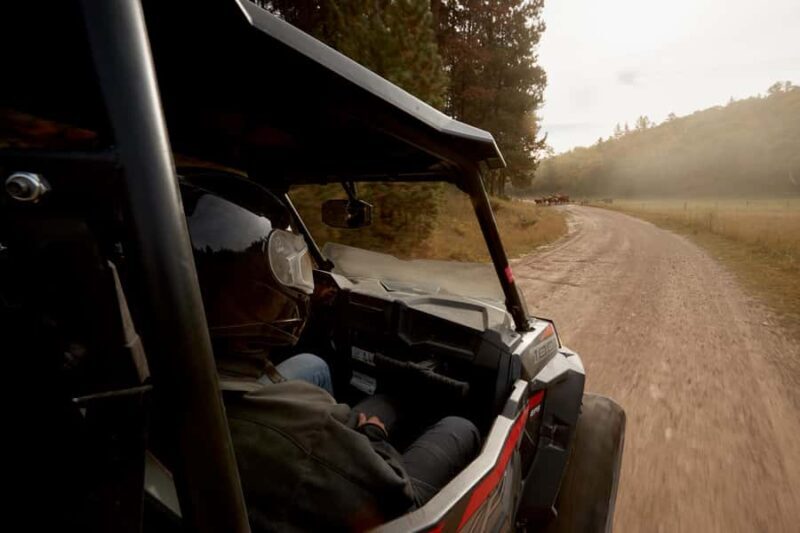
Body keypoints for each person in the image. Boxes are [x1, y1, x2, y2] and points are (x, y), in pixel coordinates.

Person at [180, 173, 481, 531]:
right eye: (262, 294)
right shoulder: (309, 431)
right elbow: (393, 503)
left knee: (316, 364)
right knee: (460, 425)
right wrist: (372, 436)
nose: (279, 299)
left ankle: (387, 408)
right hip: (376, 495)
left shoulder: (149, 357)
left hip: (210, 402)